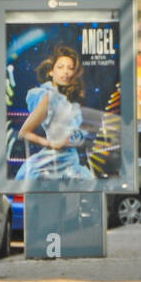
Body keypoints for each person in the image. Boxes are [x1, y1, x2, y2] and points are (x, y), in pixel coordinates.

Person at [16, 45, 96, 185]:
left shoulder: (70, 100)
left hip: (72, 162)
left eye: (70, 68)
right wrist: (50, 143)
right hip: (52, 163)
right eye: (60, 67)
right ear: (51, 72)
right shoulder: (48, 97)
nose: (65, 72)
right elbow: (24, 132)